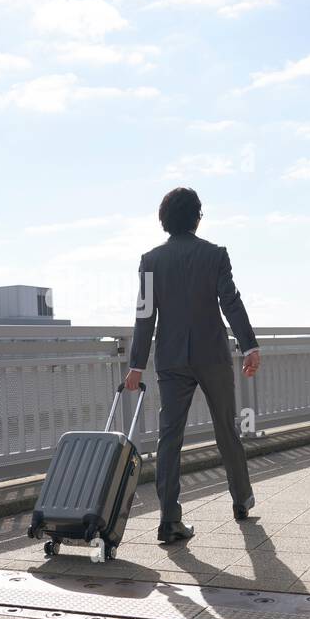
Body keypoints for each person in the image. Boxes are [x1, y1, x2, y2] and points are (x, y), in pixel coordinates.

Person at [125, 187, 260, 544]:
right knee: (226, 431)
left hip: (170, 359)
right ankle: (242, 500)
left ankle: (169, 519)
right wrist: (249, 346)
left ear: (164, 220)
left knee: (169, 439)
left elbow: (144, 316)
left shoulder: (150, 261)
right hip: (212, 355)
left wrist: (136, 365)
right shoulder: (214, 255)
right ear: (198, 218)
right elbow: (230, 302)